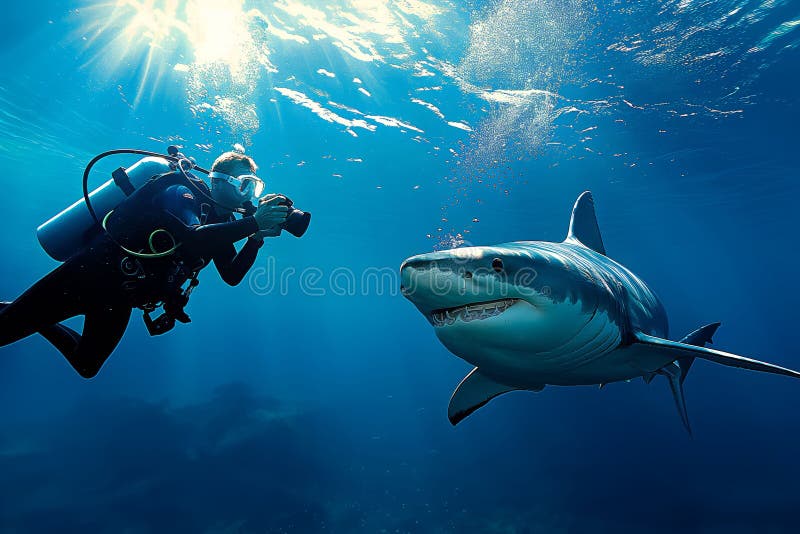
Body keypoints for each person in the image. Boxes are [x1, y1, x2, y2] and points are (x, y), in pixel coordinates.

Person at [0, 151, 289, 378]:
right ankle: (17, 313)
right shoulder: (182, 194)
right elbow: (193, 239)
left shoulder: (220, 223)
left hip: (119, 297)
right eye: (245, 185)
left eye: (254, 187)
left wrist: (255, 237)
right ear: (218, 180)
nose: (248, 195)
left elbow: (232, 275)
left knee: (87, 365)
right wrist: (252, 222)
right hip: (89, 276)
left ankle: (26, 313)